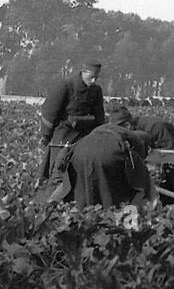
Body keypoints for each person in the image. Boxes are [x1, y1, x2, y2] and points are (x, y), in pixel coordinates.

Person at [57, 108, 153, 209]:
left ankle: (83, 214)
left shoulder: (98, 129)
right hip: (107, 156)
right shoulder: (130, 135)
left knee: (83, 190)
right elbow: (138, 163)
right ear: (128, 125)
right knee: (114, 193)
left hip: (79, 152)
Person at [39, 60, 106, 189]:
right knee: (57, 169)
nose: (93, 81)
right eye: (91, 77)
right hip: (63, 134)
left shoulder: (96, 90)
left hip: (84, 135)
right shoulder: (65, 86)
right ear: (83, 72)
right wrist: (46, 135)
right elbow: (50, 111)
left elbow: (99, 116)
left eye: (96, 78)